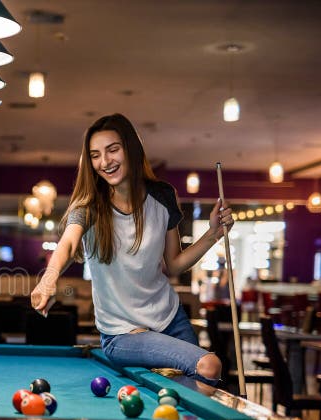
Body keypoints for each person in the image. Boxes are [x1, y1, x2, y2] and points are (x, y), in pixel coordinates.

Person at [31, 113, 231, 385]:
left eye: (113, 150)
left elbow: (172, 264)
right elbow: (67, 243)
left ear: (130, 149)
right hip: (123, 335)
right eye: (95, 155)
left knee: (186, 404)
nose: (105, 162)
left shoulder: (162, 196)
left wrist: (213, 234)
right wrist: (49, 278)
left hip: (172, 321)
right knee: (210, 364)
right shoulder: (89, 207)